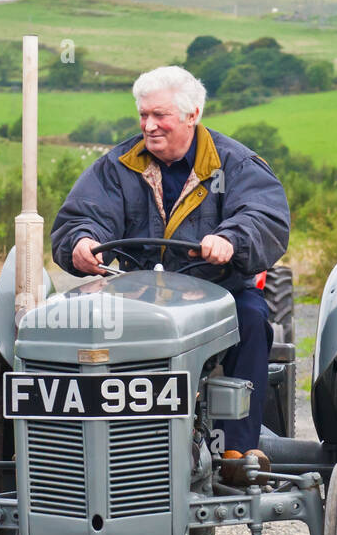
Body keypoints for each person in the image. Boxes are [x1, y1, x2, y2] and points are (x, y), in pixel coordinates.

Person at [49, 65, 290, 480]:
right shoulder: (118, 167)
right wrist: (82, 243)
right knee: (77, 323)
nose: (149, 125)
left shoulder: (235, 164)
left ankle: (237, 450)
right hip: (136, 295)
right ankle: (81, 449)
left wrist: (231, 238)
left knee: (251, 318)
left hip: (218, 291)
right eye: (143, 116)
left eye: (159, 116)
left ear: (192, 114)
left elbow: (265, 217)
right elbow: (82, 216)